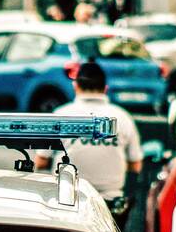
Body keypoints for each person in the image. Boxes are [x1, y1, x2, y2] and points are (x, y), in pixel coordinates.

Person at [37, 61, 142, 221]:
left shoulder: (60, 115)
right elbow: (135, 165)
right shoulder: (122, 117)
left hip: (66, 202)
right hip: (110, 206)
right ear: (105, 89)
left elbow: (41, 162)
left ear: (76, 86)